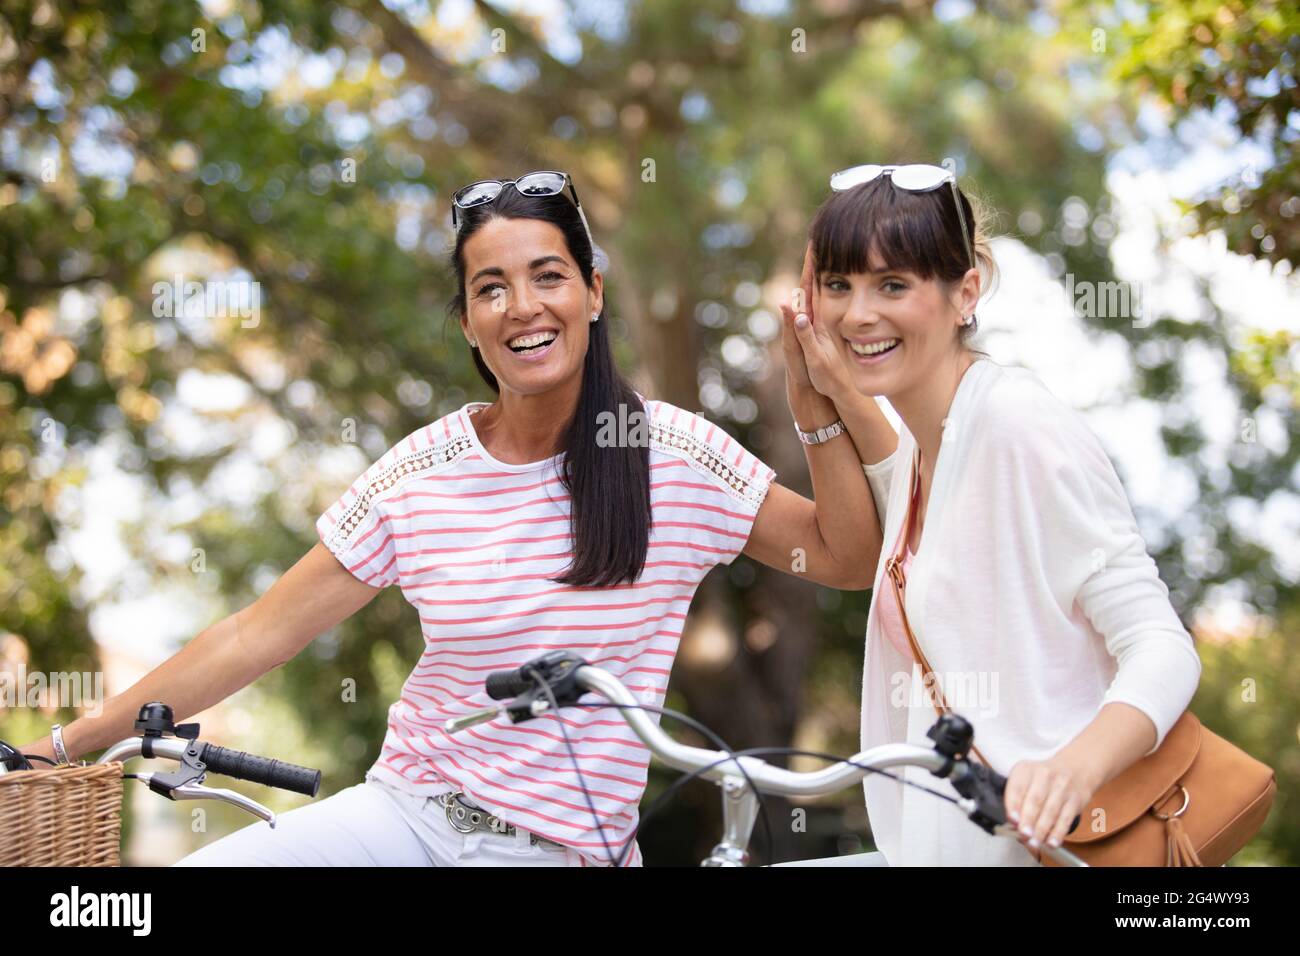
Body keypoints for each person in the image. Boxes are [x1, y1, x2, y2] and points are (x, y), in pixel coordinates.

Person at [19, 169, 896, 867]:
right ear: (470, 323)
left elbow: (843, 555)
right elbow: (256, 633)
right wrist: (67, 745)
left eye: (548, 275)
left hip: (566, 853)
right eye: (491, 288)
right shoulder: (420, 469)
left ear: (592, 293)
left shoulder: (671, 451)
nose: (523, 307)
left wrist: (817, 403)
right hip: (405, 815)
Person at [778, 163, 1202, 866]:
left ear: (965, 292)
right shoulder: (929, 446)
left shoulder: (1016, 424)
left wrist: (1072, 768)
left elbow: (1162, 645)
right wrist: (817, 387)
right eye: (837, 285)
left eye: (892, 285)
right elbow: (901, 512)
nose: (856, 315)